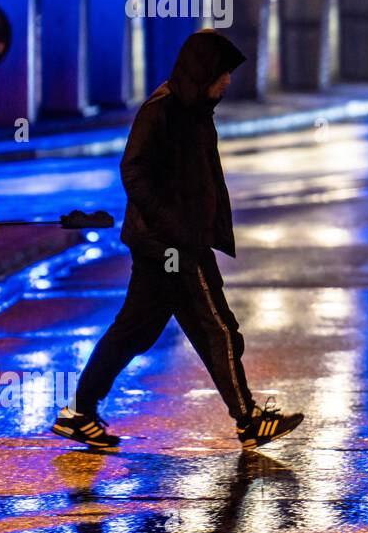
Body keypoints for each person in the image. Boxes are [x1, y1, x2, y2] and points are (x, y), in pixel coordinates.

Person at [53, 30, 303, 451]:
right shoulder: (162, 111)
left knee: (135, 331)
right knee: (217, 328)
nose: (227, 82)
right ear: (203, 71)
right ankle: (247, 419)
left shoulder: (195, 110)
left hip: (170, 244)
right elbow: (134, 171)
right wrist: (179, 232)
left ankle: (79, 412)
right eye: (222, 74)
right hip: (171, 248)